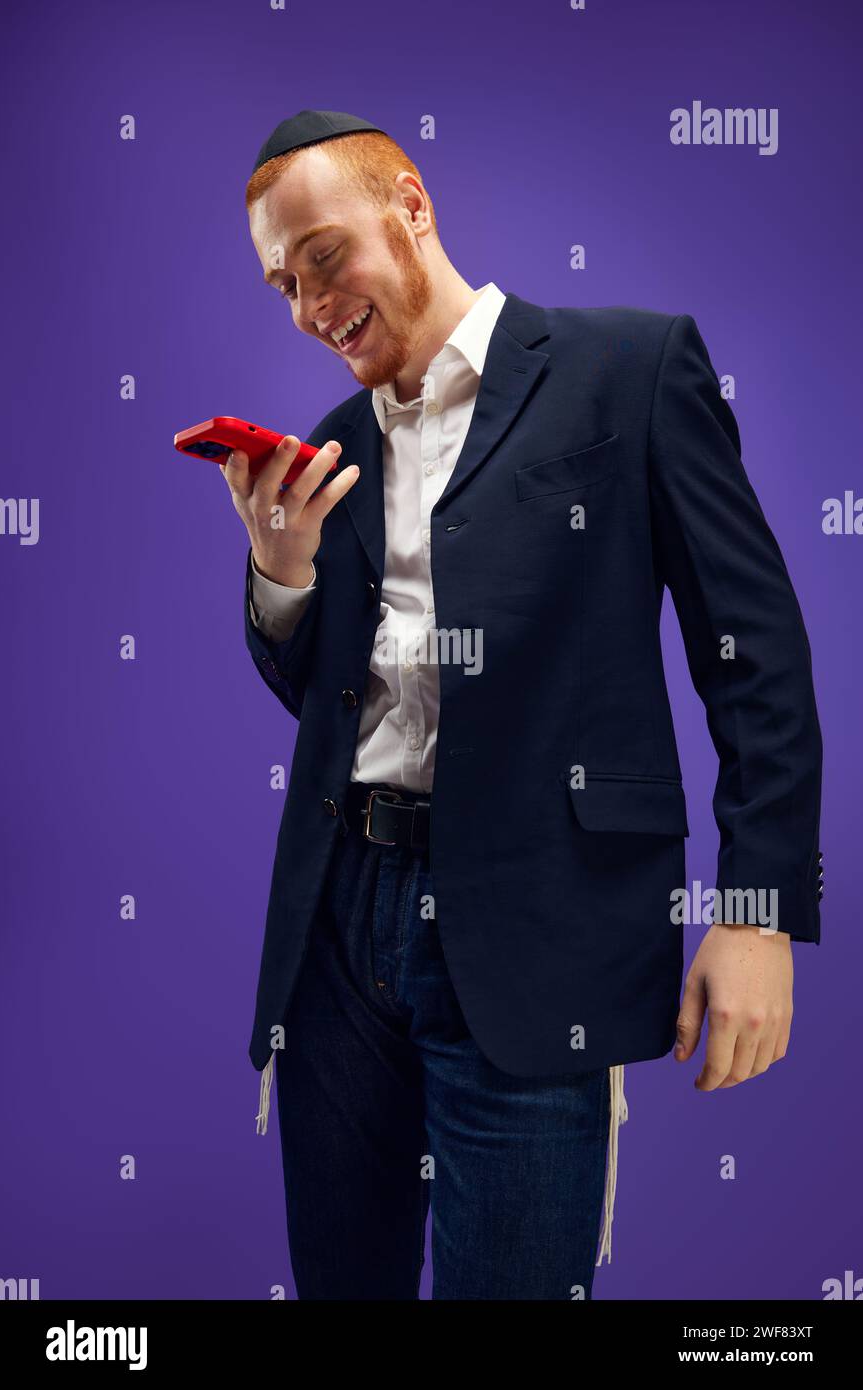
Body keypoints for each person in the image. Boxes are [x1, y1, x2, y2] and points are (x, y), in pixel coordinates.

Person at [218, 110, 823, 1300]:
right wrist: (282, 574)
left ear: (411, 204)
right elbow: (331, 707)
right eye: (281, 282)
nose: (305, 305)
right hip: (340, 933)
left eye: (323, 256)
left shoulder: (630, 370)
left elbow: (755, 655)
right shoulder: (333, 445)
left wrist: (755, 912)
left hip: (538, 927)